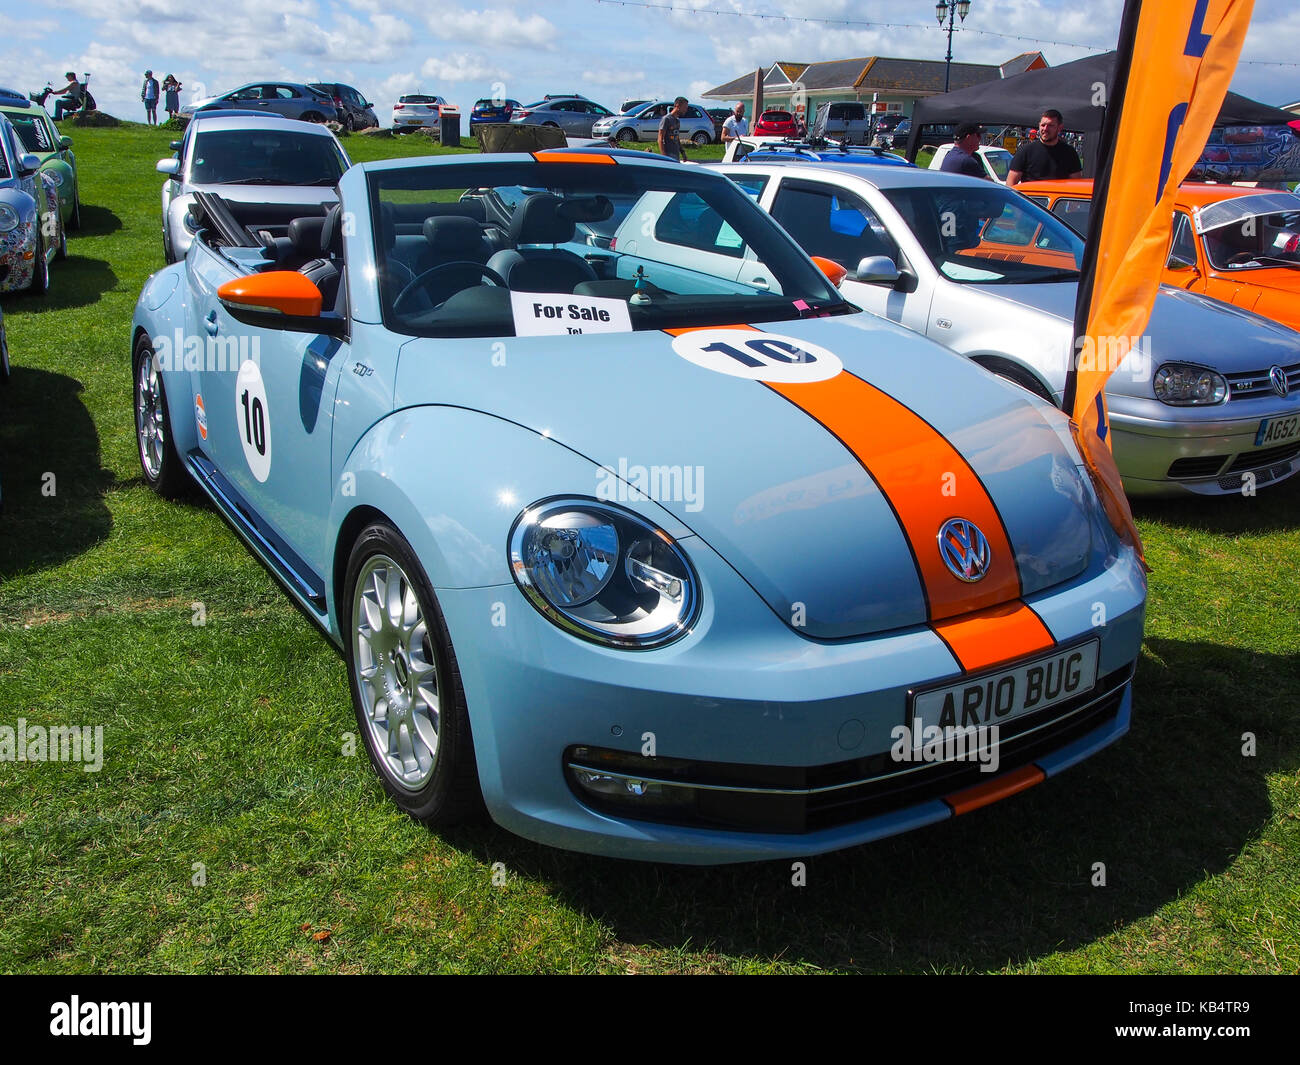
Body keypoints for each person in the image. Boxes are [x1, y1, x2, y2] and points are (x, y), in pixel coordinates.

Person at [1007, 109, 1082, 186]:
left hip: (1058, 196)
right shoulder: (1025, 151)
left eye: (1050, 126)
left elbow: (1076, 184)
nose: (1045, 129)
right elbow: (1011, 183)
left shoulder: (1069, 153)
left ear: (1059, 128)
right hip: (1030, 197)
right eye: (1043, 125)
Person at [657, 96, 688, 162]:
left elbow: (676, 137)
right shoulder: (666, 119)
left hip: (676, 155)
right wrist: (664, 156)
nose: (685, 110)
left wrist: (682, 152)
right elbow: (660, 139)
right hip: (668, 155)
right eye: (684, 107)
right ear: (677, 105)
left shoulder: (677, 121)